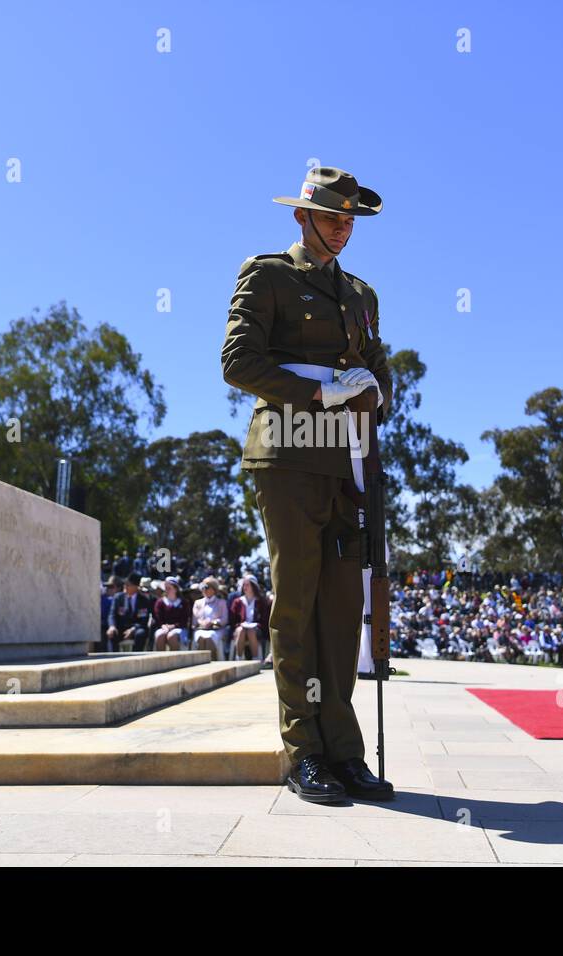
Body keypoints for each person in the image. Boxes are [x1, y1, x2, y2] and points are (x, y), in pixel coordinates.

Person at [221, 166, 395, 803]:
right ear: (302, 217)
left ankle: (345, 752)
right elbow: (238, 362)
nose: (343, 230)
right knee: (294, 605)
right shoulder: (267, 275)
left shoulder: (361, 294)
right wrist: (322, 391)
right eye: (332, 218)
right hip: (290, 455)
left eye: (350, 221)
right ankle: (304, 753)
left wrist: (374, 395)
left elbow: (379, 367)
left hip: (348, 463)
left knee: (342, 612)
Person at [229, 574, 271, 661]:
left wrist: (256, 625)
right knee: (241, 630)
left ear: (254, 586)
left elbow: (265, 619)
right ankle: (239, 659)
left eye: (247, 585)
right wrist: (240, 625)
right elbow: (233, 619)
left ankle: (256, 660)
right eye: (244, 585)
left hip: (257, 629)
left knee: (251, 631)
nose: (245, 587)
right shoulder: (237, 601)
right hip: (241, 628)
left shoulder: (261, 602)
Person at [106, 573, 151, 651]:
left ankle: (136, 658)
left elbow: (144, 620)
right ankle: (115, 658)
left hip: (136, 628)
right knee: (112, 633)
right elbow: (112, 614)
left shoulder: (143, 600)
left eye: (128, 584)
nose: (125, 586)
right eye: (125, 584)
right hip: (121, 627)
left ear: (136, 587)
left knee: (141, 633)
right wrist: (112, 626)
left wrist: (133, 629)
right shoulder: (118, 598)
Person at [191, 577, 230, 660]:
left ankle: (213, 663)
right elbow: (195, 619)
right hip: (201, 629)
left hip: (216, 630)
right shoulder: (197, 603)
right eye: (203, 587)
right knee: (201, 637)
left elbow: (224, 619)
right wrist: (201, 622)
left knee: (209, 638)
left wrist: (213, 622)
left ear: (214, 589)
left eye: (207, 587)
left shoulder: (222, 602)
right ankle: (201, 664)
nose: (204, 589)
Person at [152, 577, 191, 651]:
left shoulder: (184, 603)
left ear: (176, 589)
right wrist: (163, 626)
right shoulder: (160, 602)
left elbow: (184, 620)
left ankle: (175, 661)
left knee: (171, 636)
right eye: (166, 588)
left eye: (169, 588)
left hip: (180, 628)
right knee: (160, 635)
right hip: (163, 627)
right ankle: (161, 660)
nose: (167, 590)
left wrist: (172, 626)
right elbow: (158, 617)